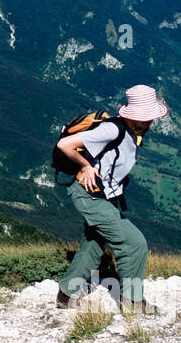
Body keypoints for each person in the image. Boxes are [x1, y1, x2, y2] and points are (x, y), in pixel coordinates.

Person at [54, 85, 168, 315]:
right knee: (134, 243)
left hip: (103, 196)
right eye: (144, 119)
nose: (148, 123)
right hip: (89, 196)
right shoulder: (112, 130)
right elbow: (64, 145)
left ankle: (66, 294)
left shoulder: (131, 131)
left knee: (94, 244)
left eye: (150, 119)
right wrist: (85, 166)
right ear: (131, 116)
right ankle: (133, 303)